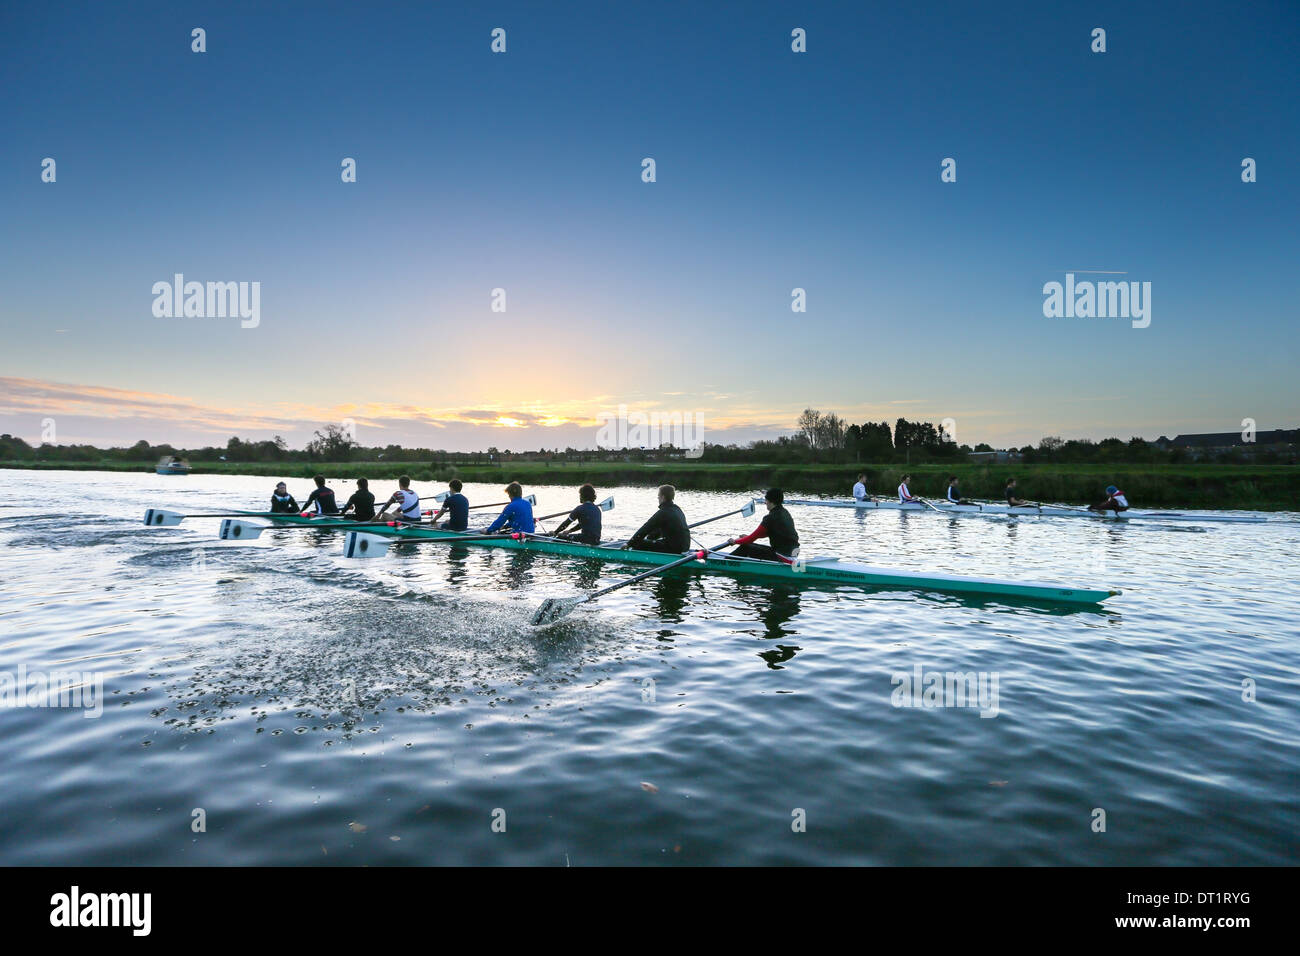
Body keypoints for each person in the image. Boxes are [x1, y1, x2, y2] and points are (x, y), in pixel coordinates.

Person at [728, 488, 799, 563]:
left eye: (766, 500)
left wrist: (735, 541)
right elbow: (769, 533)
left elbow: (751, 539)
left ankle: (726, 562)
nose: (765, 503)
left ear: (771, 501)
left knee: (746, 547)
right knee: (749, 544)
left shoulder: (770, 518)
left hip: (783, 556)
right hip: (793, 553)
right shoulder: (785, 512)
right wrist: (747, 537)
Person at [627, 484, 690, 554]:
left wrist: (629, 543)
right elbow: (659, 529)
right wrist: (650, 537)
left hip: (674, 549)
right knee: (648, 540)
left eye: (658, 496)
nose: (658, 498)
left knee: (637, 543)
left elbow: (646, 528)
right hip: (685, 547)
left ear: (663, 497)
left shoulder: (663, 512)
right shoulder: (677, 509)